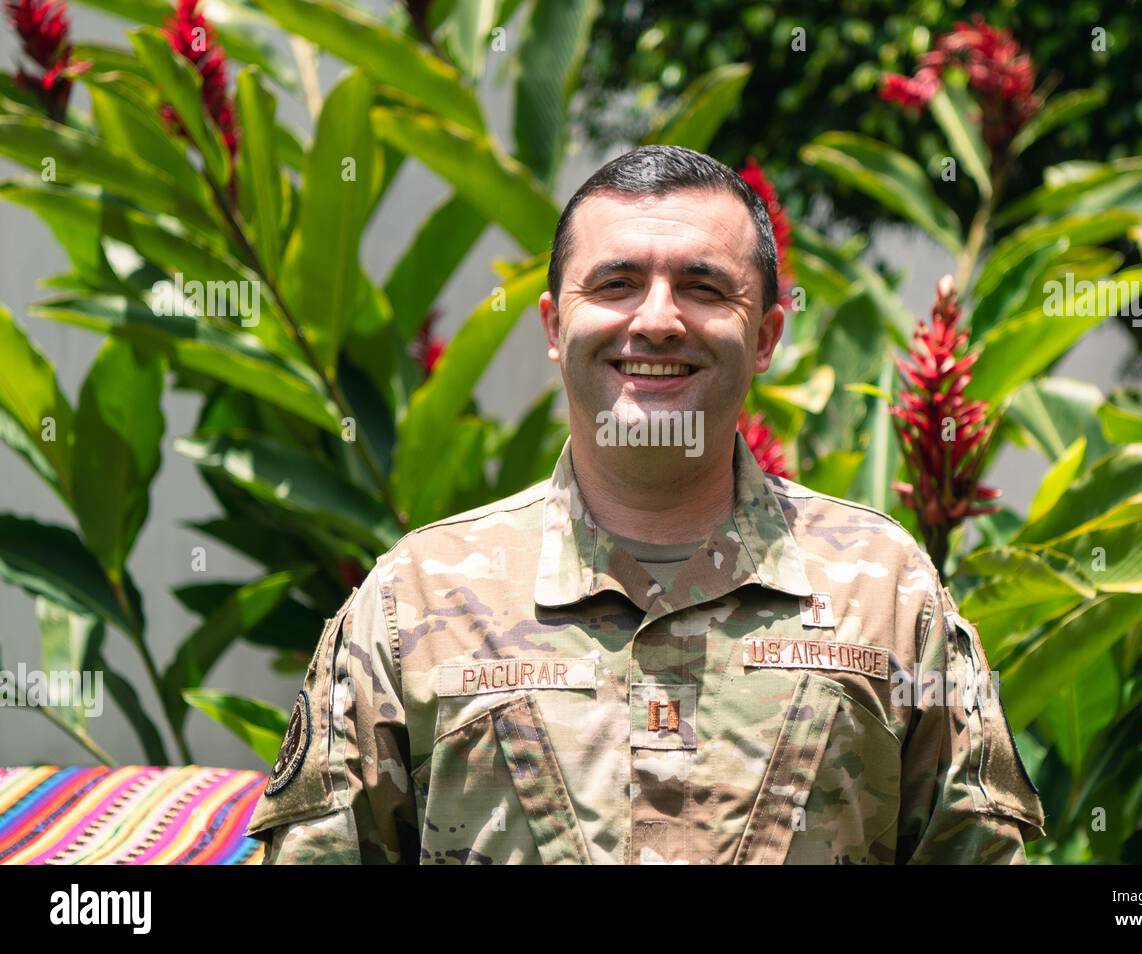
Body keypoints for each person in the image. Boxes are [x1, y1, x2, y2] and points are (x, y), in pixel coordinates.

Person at [244, 145, 1046, 864]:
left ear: (766, 336)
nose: (657, 320)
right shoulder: (416, 597)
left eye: (702, 287)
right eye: (617, 283)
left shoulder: (885, 589)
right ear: (556, 326)